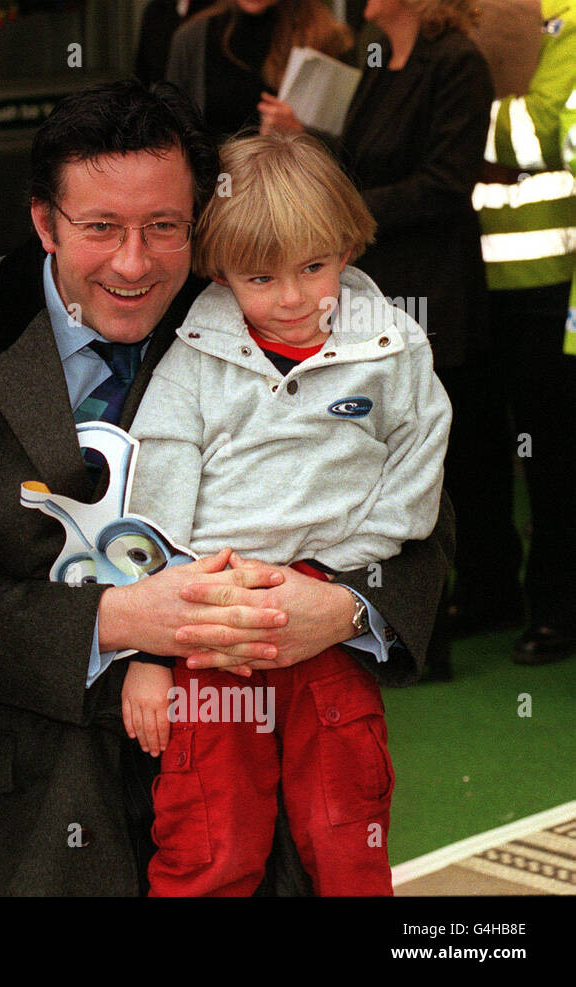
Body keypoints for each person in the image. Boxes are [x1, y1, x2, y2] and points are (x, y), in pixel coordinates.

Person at [0, 80, 453, 896]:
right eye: (101, 227)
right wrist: (117, 621)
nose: (135, 262)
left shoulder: (266, 284)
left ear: (204, 222)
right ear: (45, 220)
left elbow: (421, 508)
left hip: (268, 754)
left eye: (165, 227)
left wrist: (344, 608)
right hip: (47, 795)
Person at [122, 133, 450, 896]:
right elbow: (156, 491)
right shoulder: (194, 357)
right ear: (220, 269)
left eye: (314, 266)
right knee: (209, 834)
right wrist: (150, 649)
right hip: (211, 619)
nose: (294, 297)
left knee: (347, 832)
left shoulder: (395, 347)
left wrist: (342, 577)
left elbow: (418, 469)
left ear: (346, 245)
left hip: (327, 622)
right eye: (261, 276)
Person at [260, 0, 492, 680]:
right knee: (373, 455)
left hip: (434, 290)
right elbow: (355, 163)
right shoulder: (371, 54)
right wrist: (307, 139)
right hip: (371, 290)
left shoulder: (457, 63)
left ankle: (434, 630)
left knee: (434, 462)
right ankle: (394, 619)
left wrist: (344, 218)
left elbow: (446, 184)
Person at [465, 0, 576, 664]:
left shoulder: (566, 13)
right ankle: (486, 587)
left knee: (553, 451)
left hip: (546, 270)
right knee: (470, 446)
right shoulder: (459, 13)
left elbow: (548, 133)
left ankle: (558, 605)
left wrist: (448, 115)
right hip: (461, 264)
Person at [165, 0, 350, 139]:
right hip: (217, 181)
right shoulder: (192, 38)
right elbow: (174, 130)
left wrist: (300, 133)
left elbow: (349, 146)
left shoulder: (327, 38)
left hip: (289, 180)